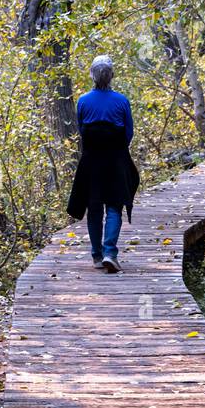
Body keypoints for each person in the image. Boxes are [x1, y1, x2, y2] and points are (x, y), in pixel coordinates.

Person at [67, 55, 138, 273]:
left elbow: (81, 130)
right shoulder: (121, 101)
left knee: (94, 207)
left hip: (91, 161)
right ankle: (110, 252)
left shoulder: (83, 101)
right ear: (112, 74)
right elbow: (128, 134)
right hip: (115, 160)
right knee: (115, 206)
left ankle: (97, 255)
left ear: (92, 74)